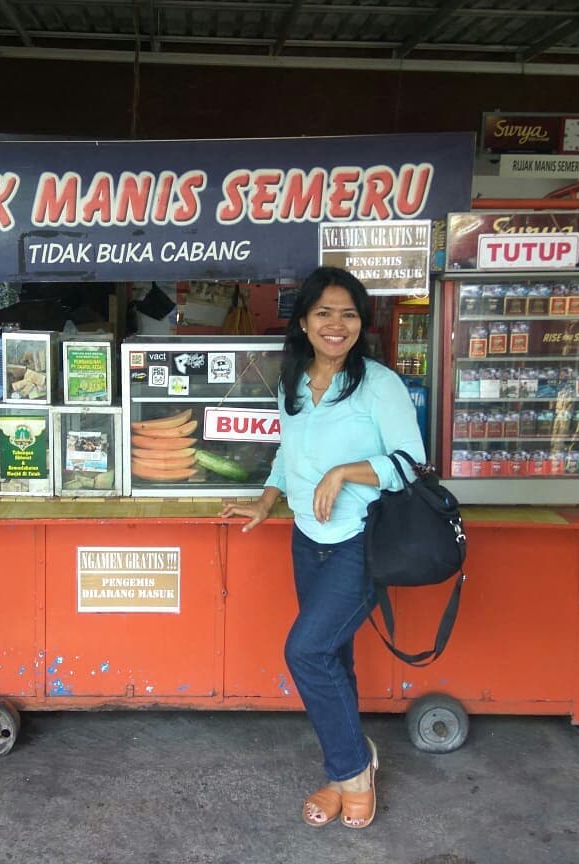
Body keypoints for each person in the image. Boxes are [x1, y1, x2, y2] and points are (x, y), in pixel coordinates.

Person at [221, 267, 425, 829]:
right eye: (324, 313)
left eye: (349, 314)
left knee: (306, 652)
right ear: (305, 322)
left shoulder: (379, 385)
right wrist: (267, 501)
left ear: (362, 323)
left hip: (362, 539)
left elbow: (412, 464)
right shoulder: (292, 380)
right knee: (333, 657)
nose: (337, 325)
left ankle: (352, 772)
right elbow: (288, 453)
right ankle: (350, 764)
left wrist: (344, 472)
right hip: (307, 541)